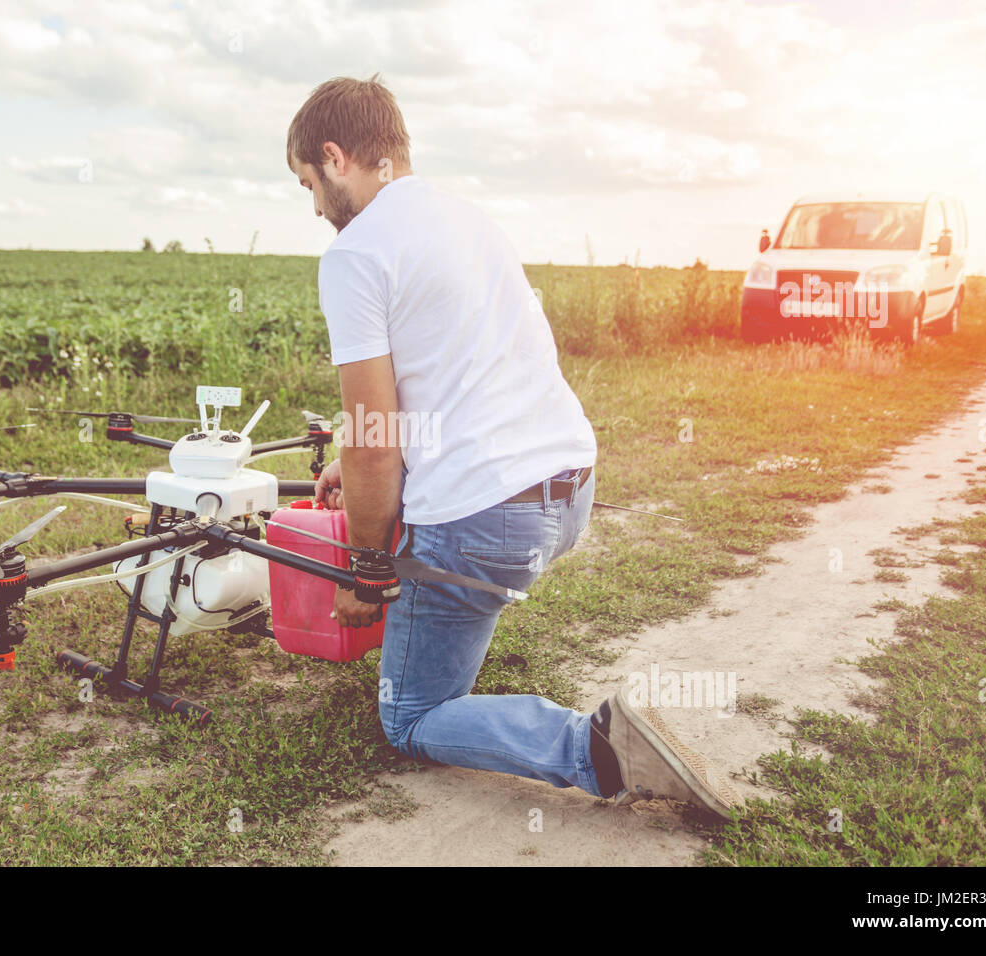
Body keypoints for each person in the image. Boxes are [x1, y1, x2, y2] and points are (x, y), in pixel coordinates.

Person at [286, 75, 743, 819]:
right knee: (450, 559)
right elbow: (468, 372)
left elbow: (374, 445)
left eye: (309, 183)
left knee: (410, 716)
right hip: (568, 487)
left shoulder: (355, 253)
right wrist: (367, 461)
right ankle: (463, 602)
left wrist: (365, 574)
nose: (313, 207)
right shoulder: (470, 221)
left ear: (335, 158)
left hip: (486, 522)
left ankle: (596, 747)